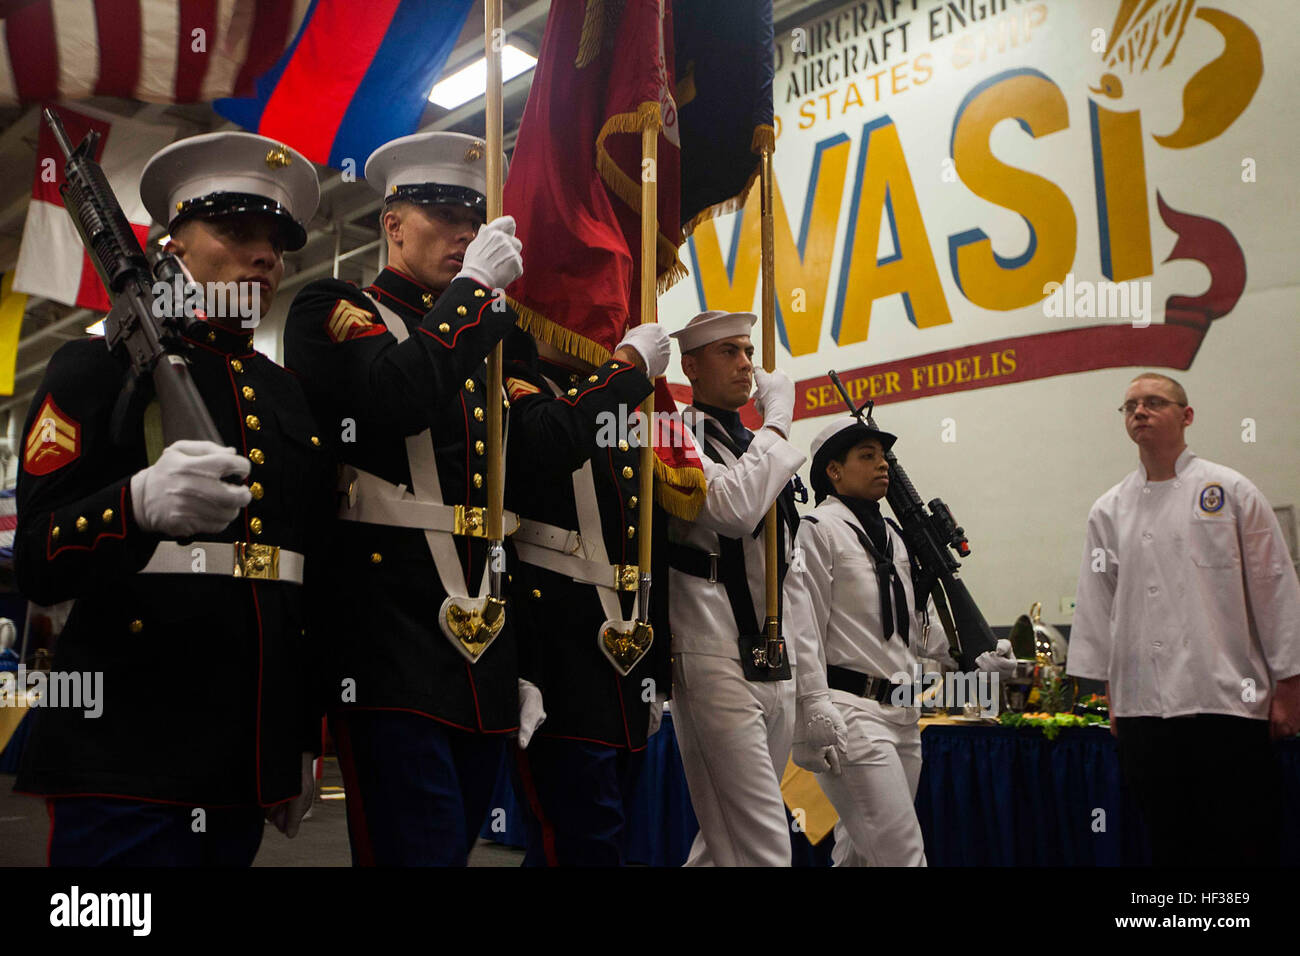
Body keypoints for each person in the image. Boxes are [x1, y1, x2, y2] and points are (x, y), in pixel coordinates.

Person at [14, 131, 334, 866]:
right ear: (171, 247)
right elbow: (35, 559)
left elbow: (306, 586)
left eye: (276, 244)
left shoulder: (286, 394)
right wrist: (134, 505)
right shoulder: (93, 368)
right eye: (234, 232)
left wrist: (298, 737)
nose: (263, 256)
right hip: (126, 751)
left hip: (243, 760)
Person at [284, 131, 530, 866]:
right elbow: (393, 399)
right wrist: (473, 297)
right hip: (387, 645)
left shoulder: (486, 340)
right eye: (442, 215)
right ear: (393, 223)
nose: (463, 233)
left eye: (473, 219)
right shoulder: (336, 307)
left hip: (481, 651)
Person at [1067, 372, 1300, 866]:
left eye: (1154, 403)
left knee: (1244, 839)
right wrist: (1112, 692)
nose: (1140, 412)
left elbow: (1274, 585)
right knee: (1172, 842)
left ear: (1186, 415)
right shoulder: (1108, 510)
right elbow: (1098, 604)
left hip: (1228, 702)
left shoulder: (1230, 490)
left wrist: (1290, 683)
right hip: (1143, 710)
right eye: (1130, 406)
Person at [503, 321, 674, 866]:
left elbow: (651, 552)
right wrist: (523, 665)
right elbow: (546, 439)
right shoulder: (522, 382)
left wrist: (657, 673)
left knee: (613, 832)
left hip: (625, 661)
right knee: (578, 838)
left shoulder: (621, 410)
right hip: (559, 652)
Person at [783, 416, 959, 866]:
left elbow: (914, 626)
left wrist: (967, 654)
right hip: (850, 713)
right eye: (867, 456)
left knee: (861, 855)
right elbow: (802, 626)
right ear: (833, 471)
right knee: (902, 854)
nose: (883, 465)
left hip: (903, 714)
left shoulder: (897, 539)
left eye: (883, 457)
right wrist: (813, 703)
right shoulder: (817, 530)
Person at [664, 310, 805, 866]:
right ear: (691, 366)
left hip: (772, 653)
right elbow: (732, 509)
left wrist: (811, 685)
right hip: (710, 648)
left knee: (724, 841)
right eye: (728, 352)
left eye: (748, 351)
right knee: (764, 843)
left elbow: (789, 571)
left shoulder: (757, 446)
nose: (746, 364)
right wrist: (777, 423)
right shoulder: (671, 432)